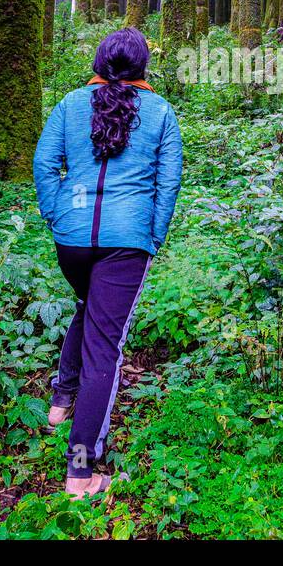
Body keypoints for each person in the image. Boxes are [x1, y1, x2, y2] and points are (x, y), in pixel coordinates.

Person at [32, 27, 182, 498]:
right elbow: (168, 182)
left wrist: (58, 214)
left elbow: (43, 164)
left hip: (72, 241)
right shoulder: (160, 112)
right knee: (106, 347)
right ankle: (82, 471)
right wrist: (151, 235)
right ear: (142, 67)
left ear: (99, 62)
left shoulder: (69, 105)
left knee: (87, 307)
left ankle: (61, 397)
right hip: (125, 242)